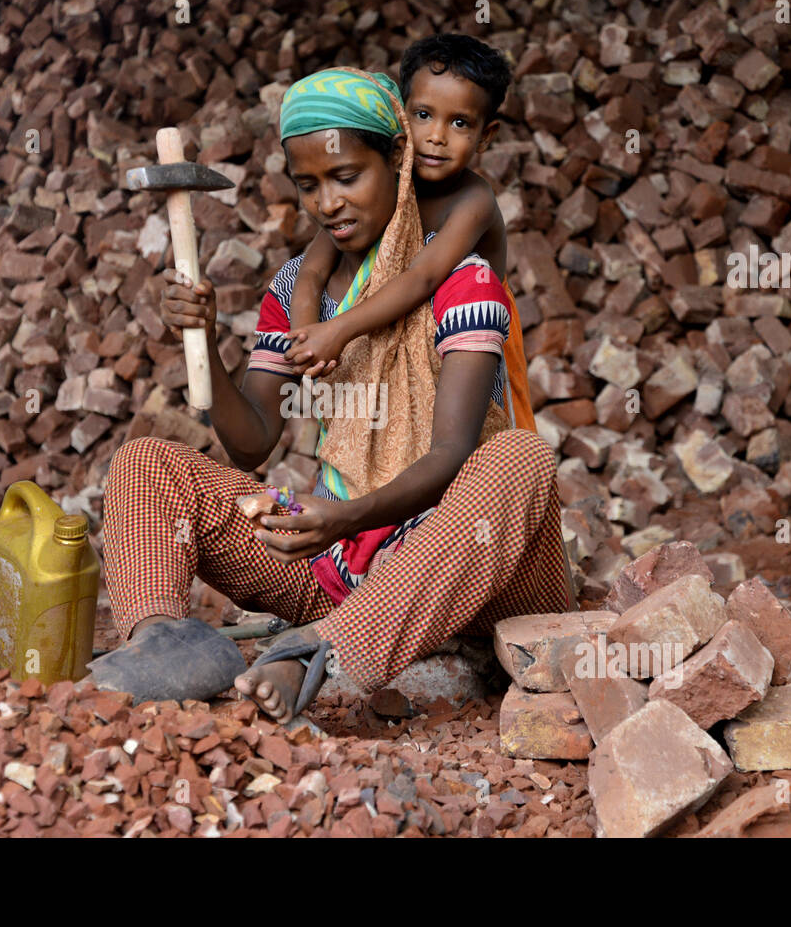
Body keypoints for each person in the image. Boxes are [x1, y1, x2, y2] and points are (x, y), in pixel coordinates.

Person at [98, 68, 573, 723]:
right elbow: (251, 443)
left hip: (470, 561)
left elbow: (453, 455)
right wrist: (204, 341)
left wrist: (349, 517)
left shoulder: (463, 281)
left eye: (347, 177)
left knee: (518, 457)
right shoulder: (298, 283)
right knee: (146, 462)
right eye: (309, 185)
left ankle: (324, 649)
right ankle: (161, 641)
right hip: (337, 563)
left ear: (398, 160)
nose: (328, 203)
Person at [284, 34, 536, 432]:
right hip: (402, 327)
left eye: (459, 122)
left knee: (490, 436)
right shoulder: (389, 183)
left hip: (469, 336)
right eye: (423, 115)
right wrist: (305, 338)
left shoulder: (473, 201)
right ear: (401, 115)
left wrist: (337, 329)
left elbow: (424, 277)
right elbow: (313, 268)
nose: (436, 135)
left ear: (485, 136)